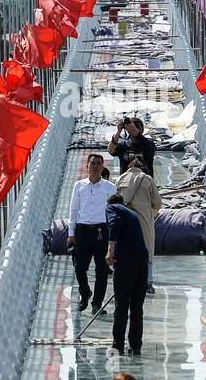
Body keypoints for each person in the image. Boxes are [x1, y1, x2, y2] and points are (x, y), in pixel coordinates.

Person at [67, 153, 116, 312]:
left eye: (98, 164)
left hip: (102, 229)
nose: (95, 166)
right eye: (92, 163)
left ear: (102, 167)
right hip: (83, 230)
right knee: (79, 267)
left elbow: (113, 212)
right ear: (87, 166)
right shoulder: (79, 185)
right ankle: (85, 292)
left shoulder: (109, 187)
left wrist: (114, 236)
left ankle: (97, 303)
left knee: (101, 269)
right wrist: (71, 233)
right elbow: (74, 210)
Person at [105, 193, 148, 356]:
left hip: (126, 260)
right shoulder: (132, 214)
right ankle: (135, 345)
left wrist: (110, 251)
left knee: (121, 304)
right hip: (141, 260)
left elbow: (115, 223)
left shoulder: (111, 208)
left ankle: (118, 345)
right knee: (137, 306)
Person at [116, 152, 162, 295]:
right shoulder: (147, 179)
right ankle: (147, 282)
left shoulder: (120, 179)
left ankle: (126, 279)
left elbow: (114, 201)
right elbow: (158, 203)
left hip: (125, 221)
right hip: (144, 220)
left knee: (126, 250)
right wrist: (151, 213)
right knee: (147, 250)